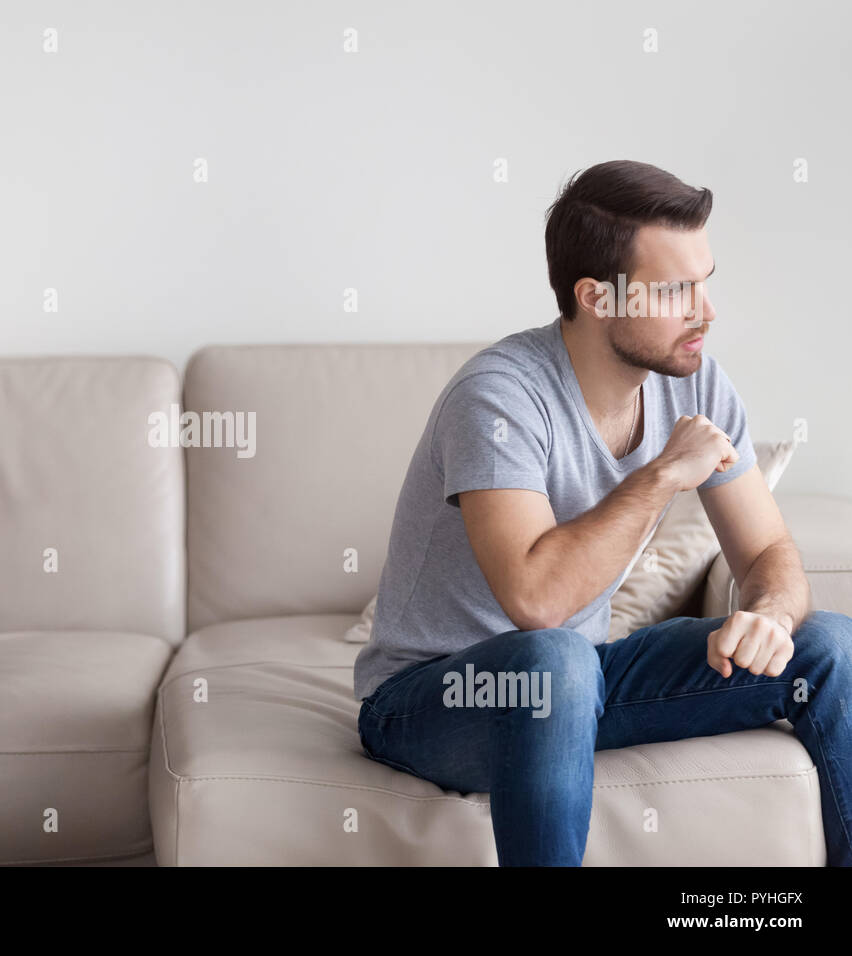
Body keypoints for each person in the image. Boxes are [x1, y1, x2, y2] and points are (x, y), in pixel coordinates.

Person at [353, 159, 852, 865]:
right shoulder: (499, 398)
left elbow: (769, 552)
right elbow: (537, 602)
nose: (706, 311)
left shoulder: (697, 379)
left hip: (578, 681)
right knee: (554, 661)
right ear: (598, 297)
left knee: (831, 646)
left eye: (704, 280)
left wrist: (770, 616)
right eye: (677, 289)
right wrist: (659, 477)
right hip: (430, 700)